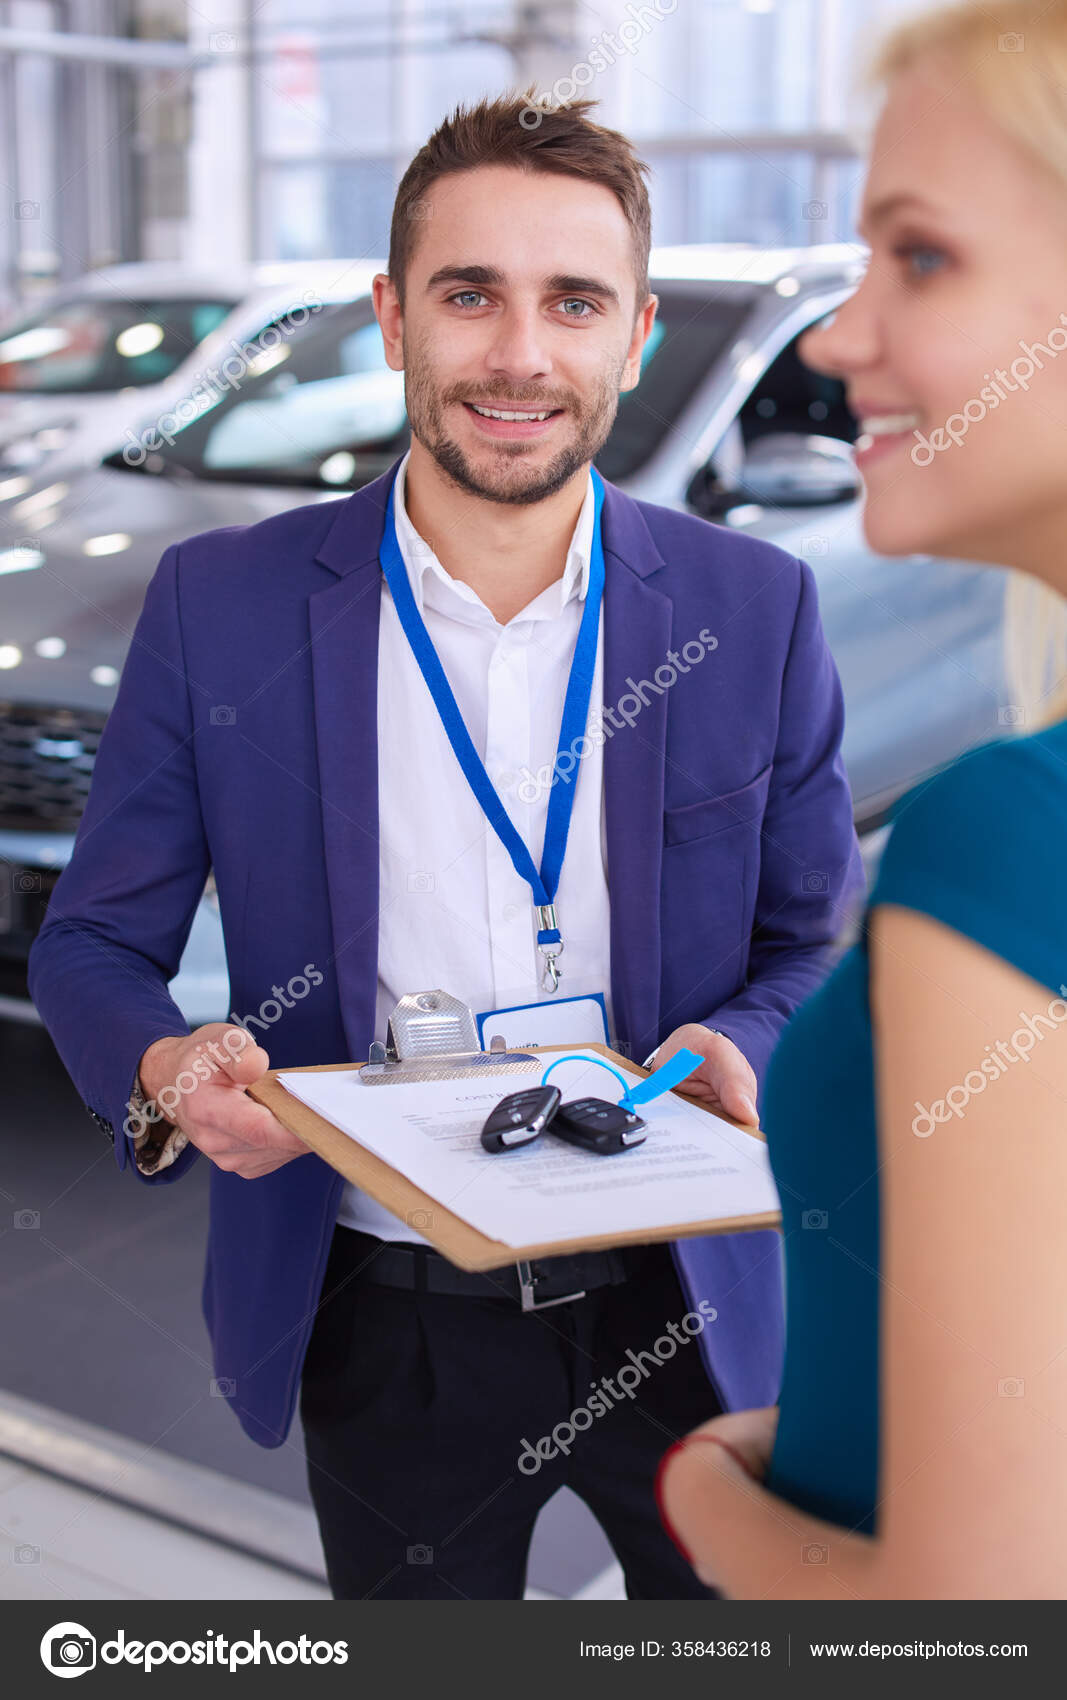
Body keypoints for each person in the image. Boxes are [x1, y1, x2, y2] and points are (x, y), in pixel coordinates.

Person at [28, 91, 862, 1600]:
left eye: (575, 302)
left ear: (634, 330)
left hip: (683, 1296)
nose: (521, 356)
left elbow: (811, 939)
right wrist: (166, 1071)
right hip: (381, 1304)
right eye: (469, 293)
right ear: (393, 316)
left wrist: (749, 1042)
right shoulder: (223, 603)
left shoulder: (754, 610)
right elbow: (93, 942)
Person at [656, 0, 1067, 1600]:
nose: (836, 338)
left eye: (922, 257)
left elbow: (970, 1631)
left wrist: (720, 1489)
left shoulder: (1006, 835)